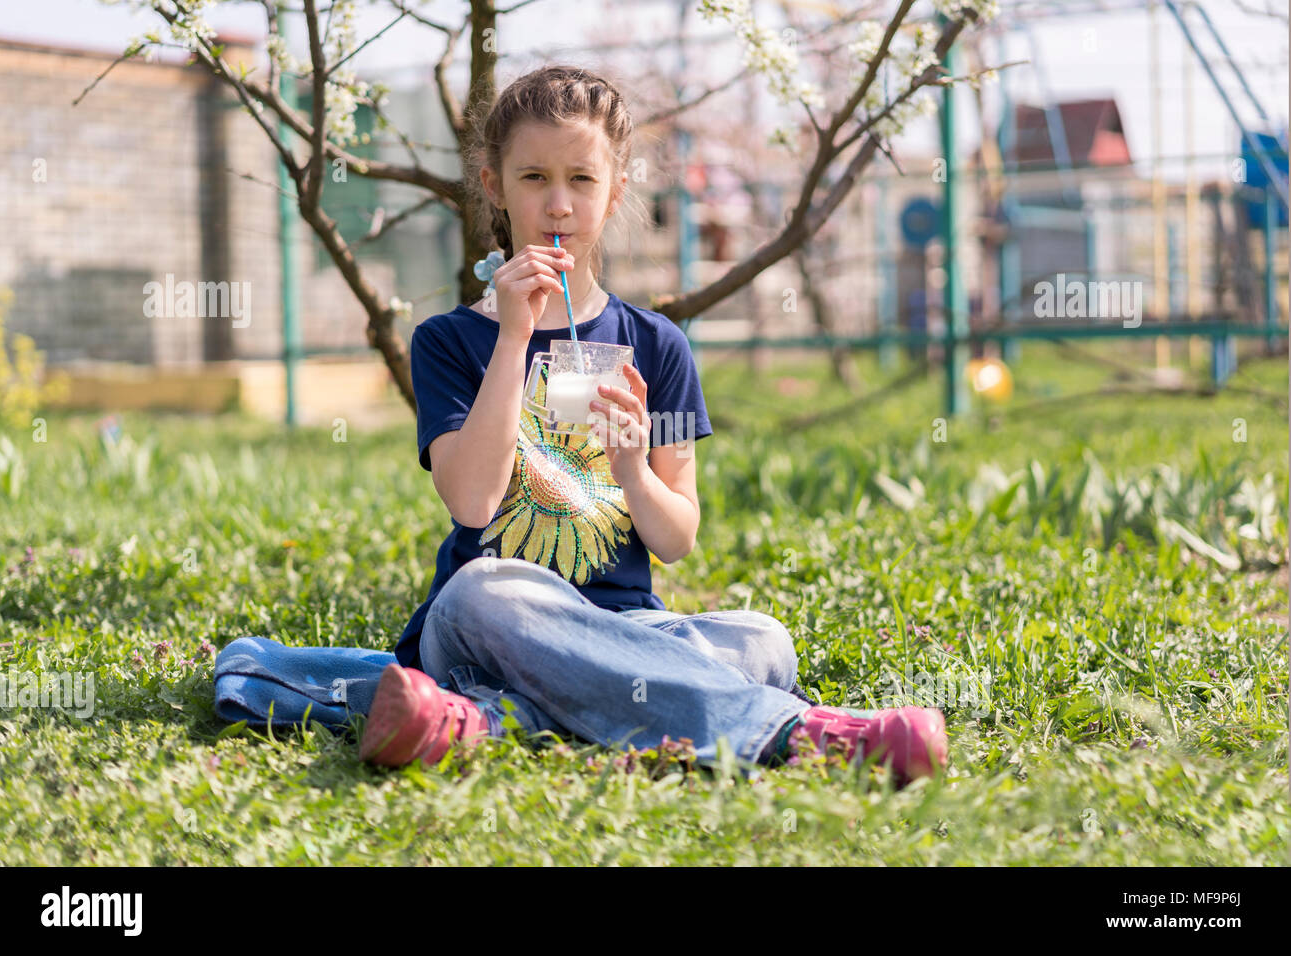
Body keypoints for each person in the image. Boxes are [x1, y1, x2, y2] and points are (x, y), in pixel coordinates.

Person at [359, 65, 947, 784]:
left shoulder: (657, 344)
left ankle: (487, 719)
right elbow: (473, 504)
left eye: (582, 180)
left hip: (630, 626)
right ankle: (796, 731)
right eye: (534, 178)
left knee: (764, 641)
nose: (558, 204)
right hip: (486, 624)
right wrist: (512, 340)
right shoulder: (449, 341)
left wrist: (634, 468)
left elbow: (676, 538)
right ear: (494, 189)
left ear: (615, 192)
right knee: (483, 588)